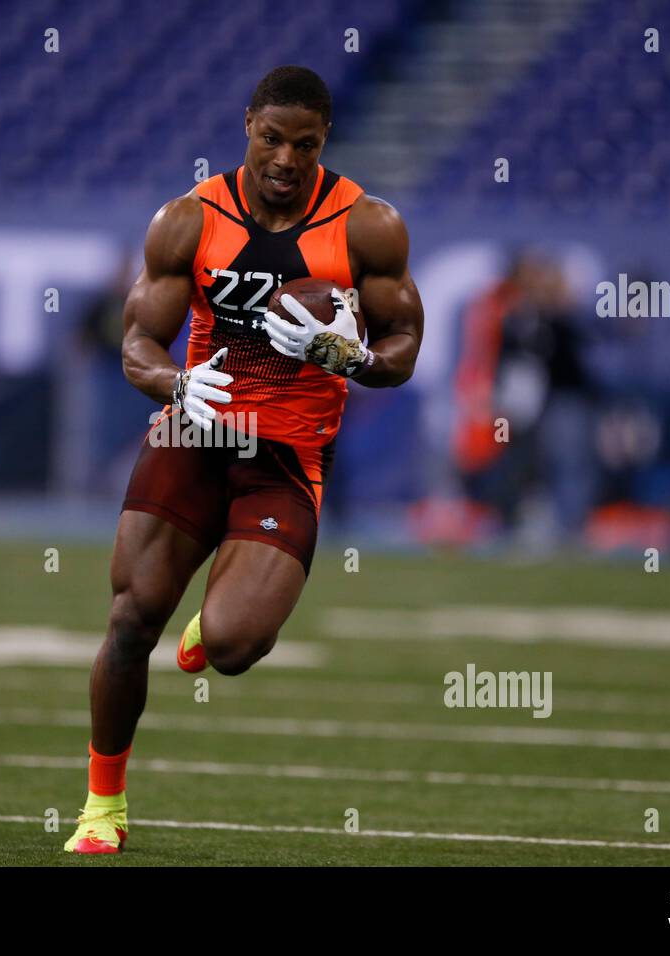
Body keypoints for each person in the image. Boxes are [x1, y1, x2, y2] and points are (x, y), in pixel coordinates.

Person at [63, 66, 424, 853]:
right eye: (272, 139)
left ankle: (212, 627)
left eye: (306, 144)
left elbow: (405, 349)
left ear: (325, 142)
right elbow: (134, 344)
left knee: (231, 648)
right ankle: (103, 805)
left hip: (288, 454)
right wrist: (175, 382)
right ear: (246, 128)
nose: (287, 159)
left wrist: (350, 355)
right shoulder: (188, 218)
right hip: (195, 431)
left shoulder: (368, 227)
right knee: (129, 619)